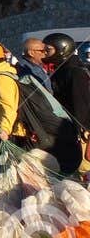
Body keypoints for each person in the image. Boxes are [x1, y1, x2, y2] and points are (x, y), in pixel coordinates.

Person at [0, 41, 85, 175]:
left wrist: (4, 130)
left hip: (15, 137)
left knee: (13, 182)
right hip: (16, 135)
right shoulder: (9, 74)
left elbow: (8, 108)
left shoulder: (1, 80)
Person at [45, 33, 90, 164]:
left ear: (61, 49)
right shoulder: (62, 70)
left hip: (80, 133)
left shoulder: (75, 72)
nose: (44, 53)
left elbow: (80, 104)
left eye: (48, 50)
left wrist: (77, 131)